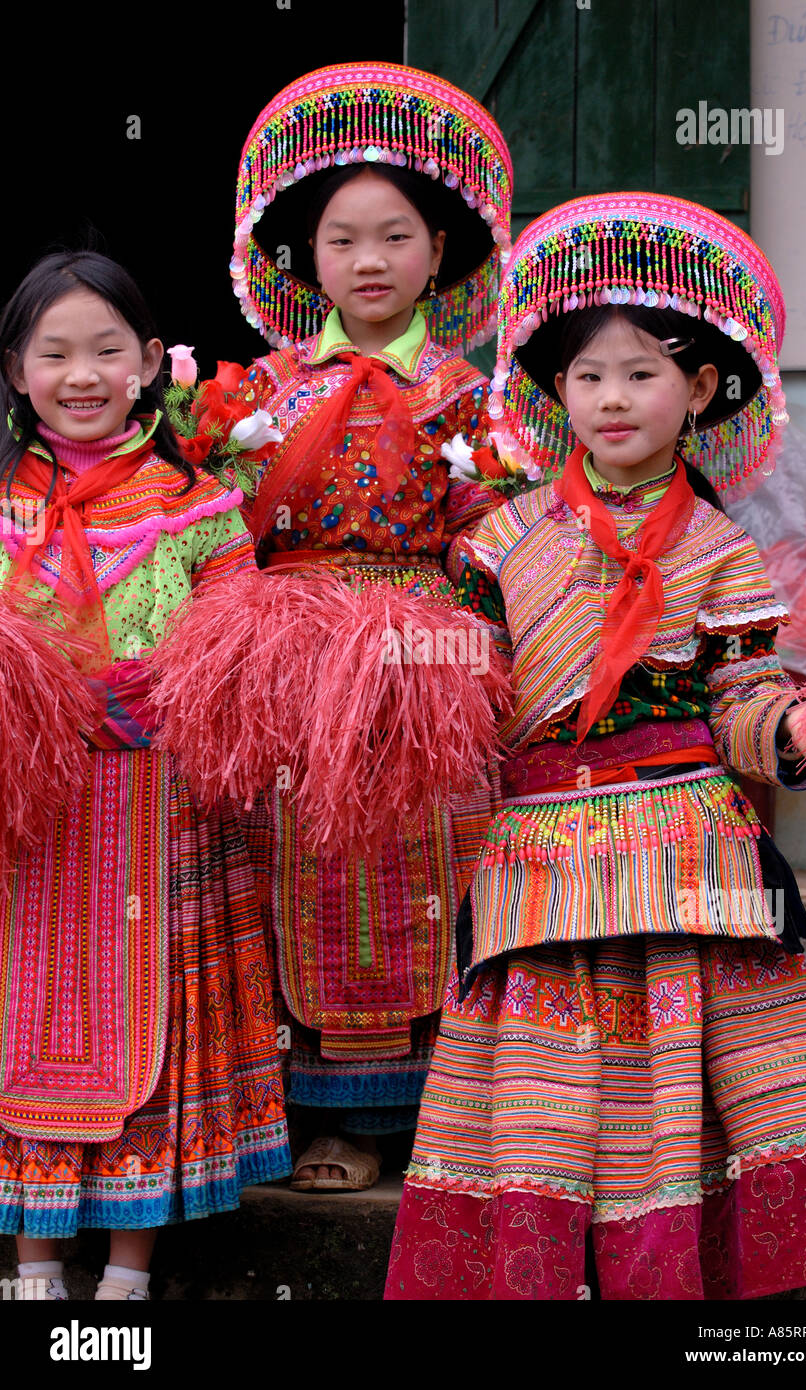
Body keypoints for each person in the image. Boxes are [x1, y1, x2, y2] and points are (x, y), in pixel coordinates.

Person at [384, 193, 806, 1299]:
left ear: (698, 391)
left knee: (676, 1112)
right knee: (545, 1118)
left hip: (686, 857)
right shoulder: (498, 543)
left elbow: (739, 702)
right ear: (555, 391)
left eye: (643, 373)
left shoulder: (720, 552)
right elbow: (465, 694)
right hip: (539, 869)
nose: (612, 397)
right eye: (589, 375)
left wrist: (800, 724)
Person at [226, 62, 513, 1189]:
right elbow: (222, 530)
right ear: (311, 259)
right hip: (292, 656)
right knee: (299, 868)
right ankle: (328, 1122)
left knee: (435, 860)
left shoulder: (472, 397)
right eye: (344, 240)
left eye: (395, 237)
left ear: (438, 252)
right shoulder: (259, 393)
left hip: (424, 661)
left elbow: (492, 531)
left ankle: (438, 1113)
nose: (371, 261)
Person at [0, 251, 292, 1299]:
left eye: (107, 349)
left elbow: (239, 635)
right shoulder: (2, 502)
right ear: (17, 371)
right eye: (55, 352)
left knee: (157, 1029)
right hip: (30, 824)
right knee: (26, 1021)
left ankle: (127, 1276)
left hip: (163, 810)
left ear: (150, 365)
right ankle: (34, 1271)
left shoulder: (194, 502)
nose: (82, 373)